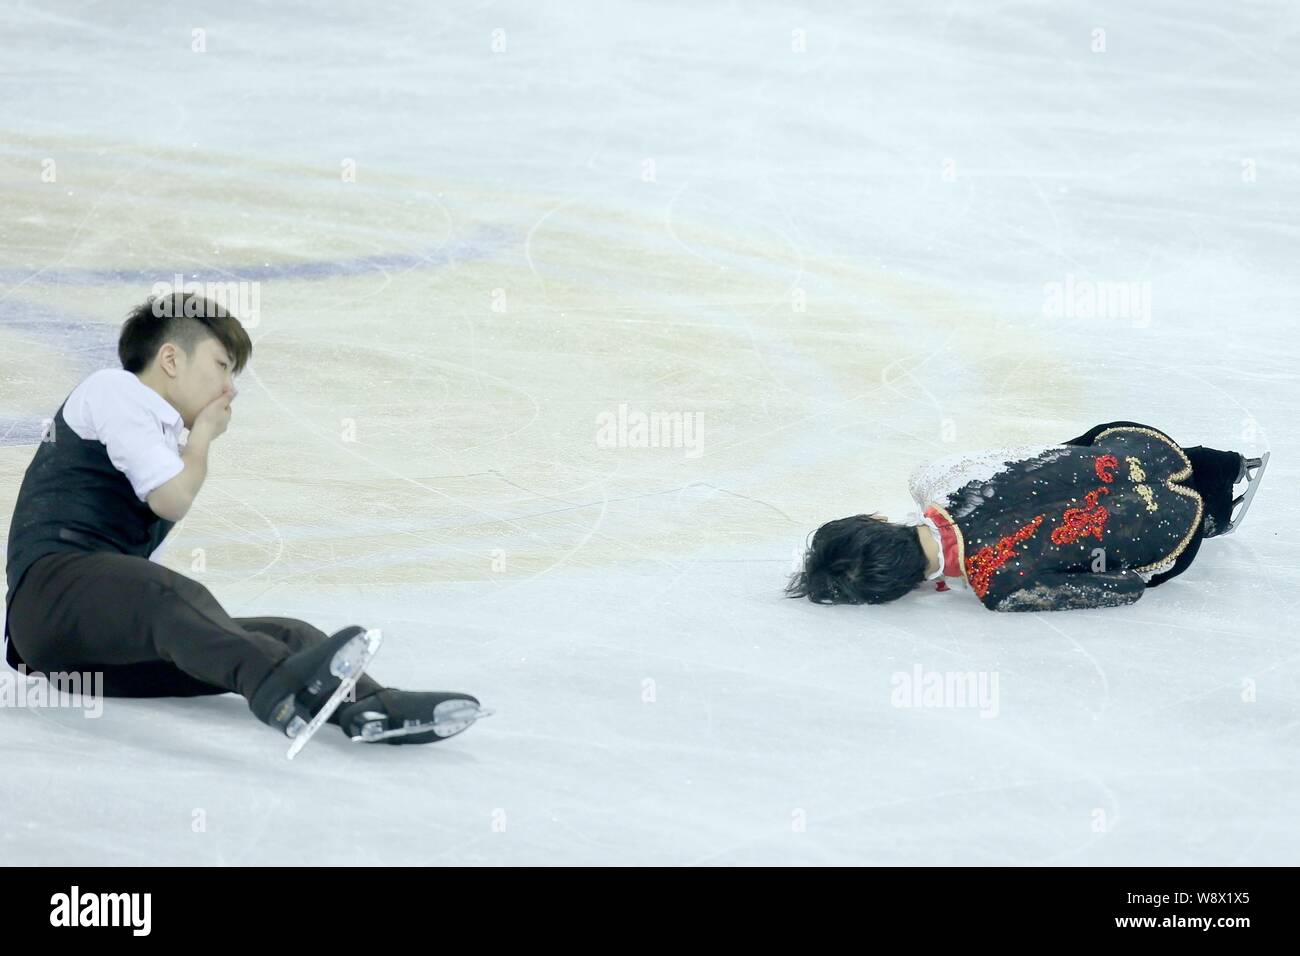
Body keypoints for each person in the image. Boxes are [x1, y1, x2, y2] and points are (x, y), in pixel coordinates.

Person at [3, 292, 486, 748]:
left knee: (286, 635)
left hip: (92, 650)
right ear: (171, 359)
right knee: (170, 595)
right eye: (221, 365)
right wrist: (203, 437)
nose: (230, 387)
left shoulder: (160, 443)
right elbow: (171, 500)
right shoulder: (114, 389)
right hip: (50, 601)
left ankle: (372, 708)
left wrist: (195, 441)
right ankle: (277, 689)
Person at [787, 421, 1268, 611]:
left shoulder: (998, 585)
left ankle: (1205, 515)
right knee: (1081, 451)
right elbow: (1045, 458)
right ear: (875, 519)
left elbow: (1124, 587)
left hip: (1168, 540)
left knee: (1099, 534)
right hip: (1140, 454)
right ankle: (1219, 467)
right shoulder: (938, 476)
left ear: (903, 586)